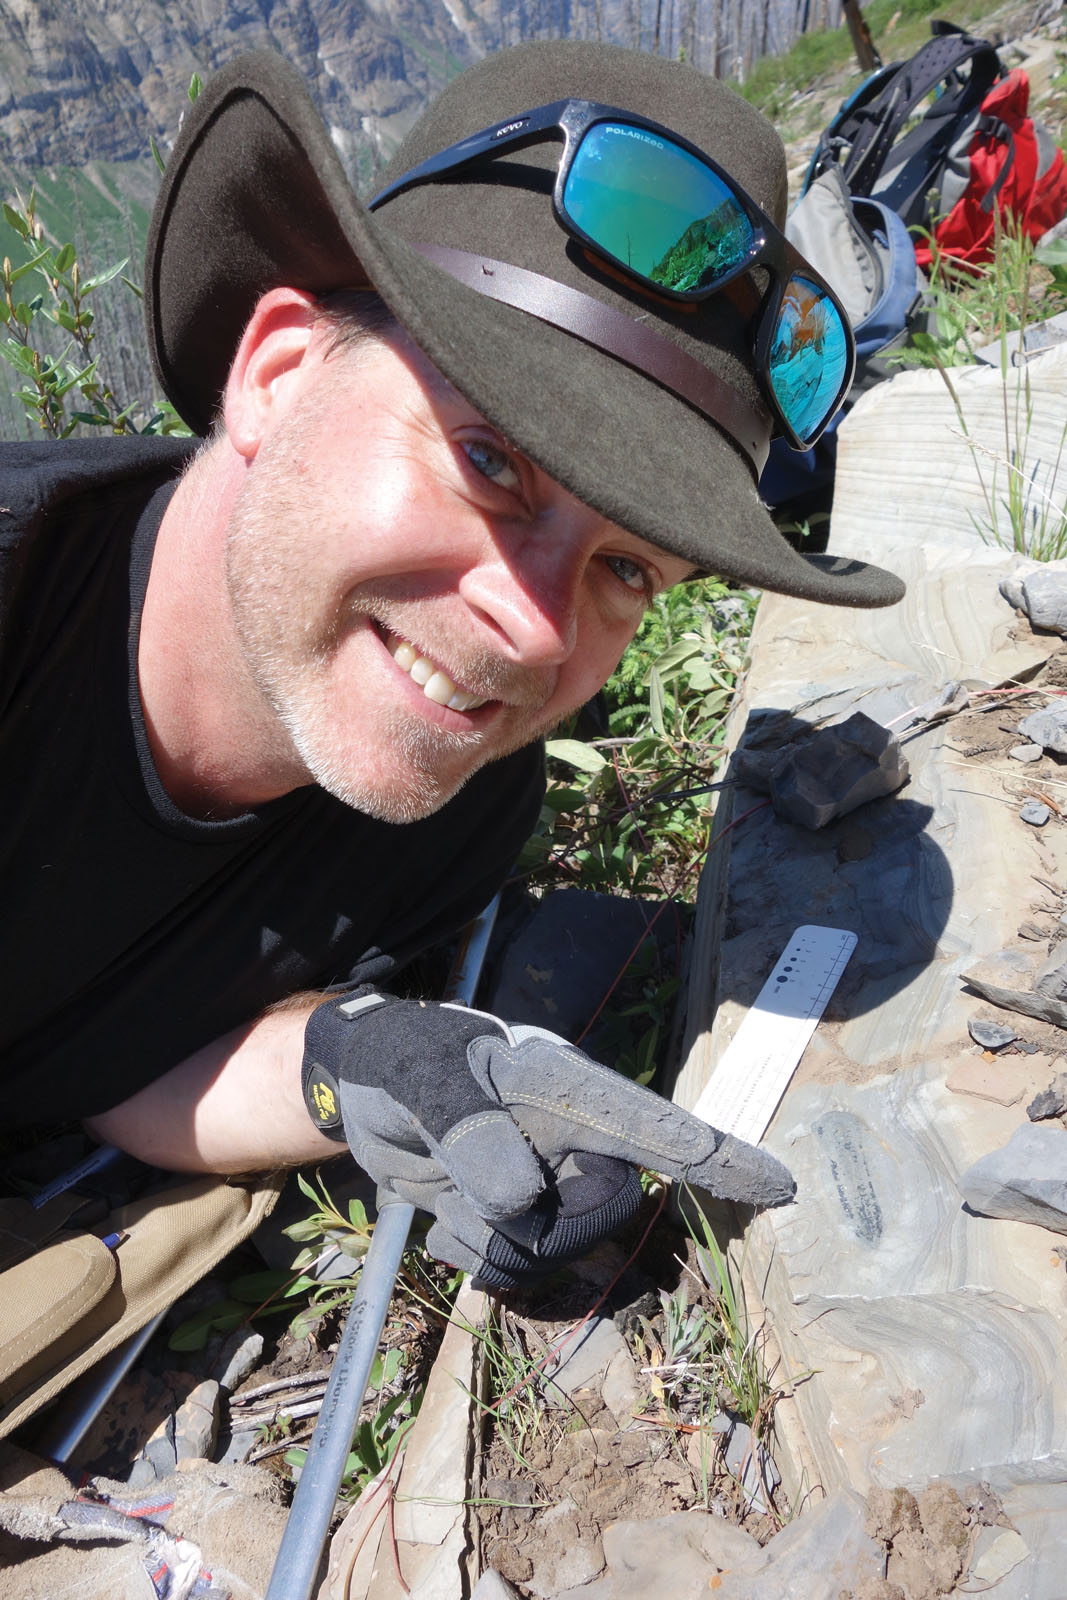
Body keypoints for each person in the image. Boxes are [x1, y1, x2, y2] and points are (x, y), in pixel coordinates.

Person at [0, 39, 904, 1286]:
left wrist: (365, 1057)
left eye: (625, 569)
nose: (535, 630)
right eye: (488, 463)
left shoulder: (450, 810)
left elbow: (122, 1056)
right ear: (274, 375)